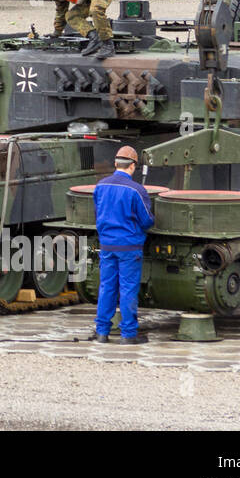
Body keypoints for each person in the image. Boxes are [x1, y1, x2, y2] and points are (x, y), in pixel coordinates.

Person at [91, 144, 154, 344]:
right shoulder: (137, 190)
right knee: (127, 289)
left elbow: (98, 213)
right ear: (133, 166)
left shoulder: (100, 186)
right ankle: (128, 335)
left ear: (116, 163)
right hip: (129, 247)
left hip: (107, 246)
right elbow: (146, 221)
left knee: (107, 288)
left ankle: (102, 333)